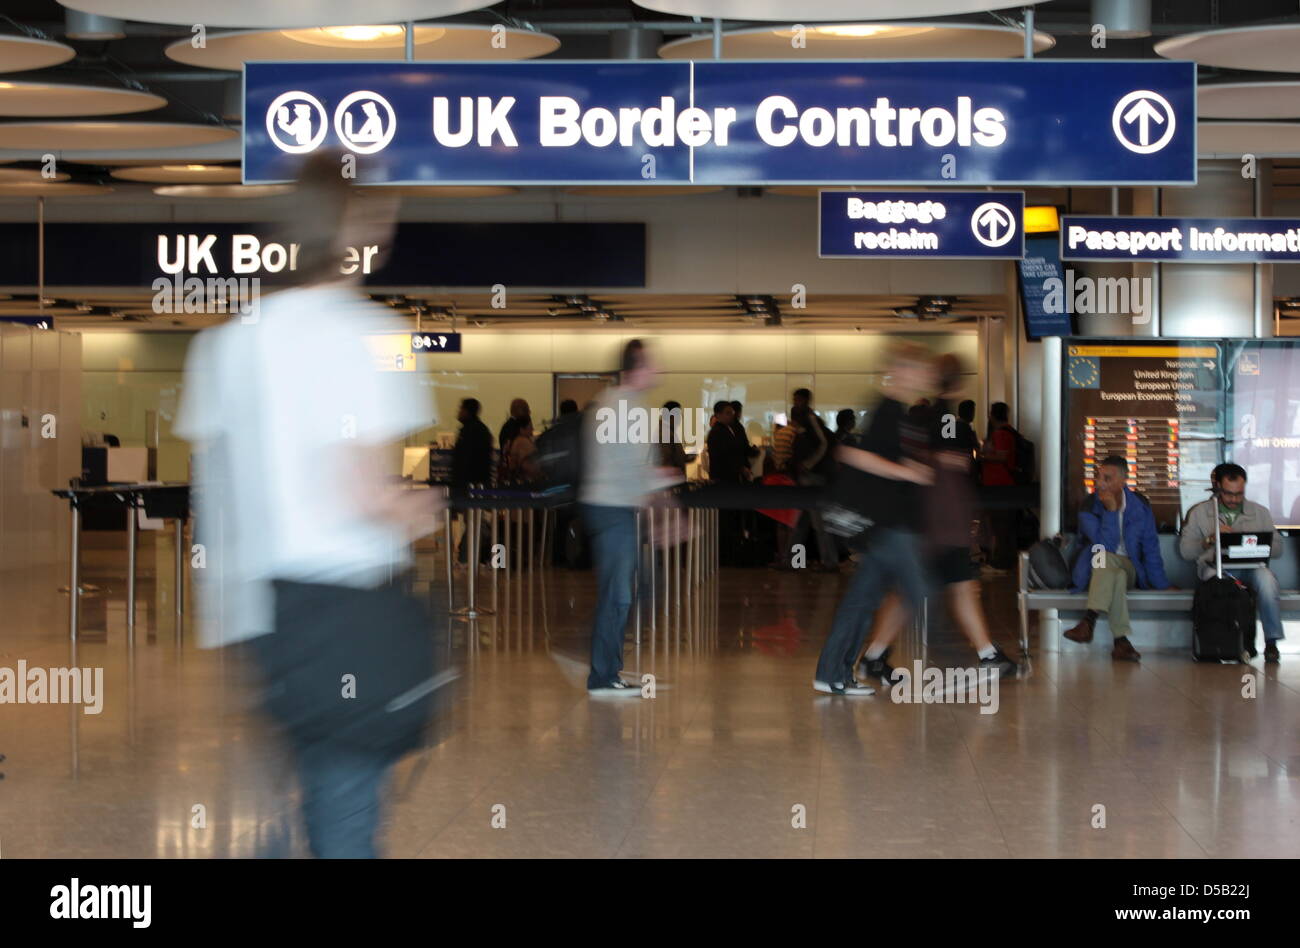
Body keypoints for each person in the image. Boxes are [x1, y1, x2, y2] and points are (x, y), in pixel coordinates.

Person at [175, 151, 442, 857]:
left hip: (260, 611)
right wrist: (418, 508)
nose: (386, 229)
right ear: (350, 221)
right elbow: (361, 490)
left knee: (315, 785)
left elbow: (219, 492)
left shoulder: (227, 342)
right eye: (379, 213)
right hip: (346, 604)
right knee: (346, 802)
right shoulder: (372, 335)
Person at [857, 356, 1019, 683]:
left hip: (925, 520)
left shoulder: (918, 418)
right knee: (948, 586)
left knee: (922, 589)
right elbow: (953, 467)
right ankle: (986, 654)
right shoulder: (951, 423)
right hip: (942, 522)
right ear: (958, 384)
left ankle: (875, 655)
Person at [813, 344, 936, 695]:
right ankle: (843, 669)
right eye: (919, 370)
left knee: (864, 600)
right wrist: (908, 472)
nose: (923, 377)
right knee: (919, 589)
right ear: (901, 370)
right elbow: (858, 457)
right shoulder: (887, 410)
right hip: (886, 524)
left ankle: (836, 672)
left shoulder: (899, 411)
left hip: (888, 523)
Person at [579, 340, 677, 695]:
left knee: (621, 591)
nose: (658, 370)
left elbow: (631, 465)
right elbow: (637, 469)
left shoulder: (613, 402)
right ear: (635, 368)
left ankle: (608, 672)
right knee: (618, 594)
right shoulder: (625, 406)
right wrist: (664, 488)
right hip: (612, 509)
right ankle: (603, 677)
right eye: (652, 364)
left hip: (607, 506)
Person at [1064, 455, 1172, 662]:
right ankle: (1120, 642)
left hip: (1130, 567)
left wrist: (1161, 584)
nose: (1100, 483)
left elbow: (1150, 547)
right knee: (1114, 573)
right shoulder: (1089, 506)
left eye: (1107, 478)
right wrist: (1111, 512)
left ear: (1123, 481)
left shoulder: (1140, 505)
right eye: (1099, 477)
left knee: (1117, 570)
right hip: (1096, 565)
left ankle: (1089, 620)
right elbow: (1104, 546)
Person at [1179, 463, 1284, 663]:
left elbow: (1279, 549)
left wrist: (1253, 541)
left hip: (1252, 567)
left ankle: (1271, 642)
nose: (1234, 499)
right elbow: (1185, 551)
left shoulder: (1260, 512)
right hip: (1216, 568)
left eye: (1239, 494)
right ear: (1217, 486)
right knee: (1223, 586)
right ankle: (1225, 642)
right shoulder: (1201, 513)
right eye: (1228, 494)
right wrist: (1209, 540)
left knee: (1268, 581)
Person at [789, 404, 839, 572]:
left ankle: (825, 561)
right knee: (806, 523)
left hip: (811, 478)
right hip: (814, 477)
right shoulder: (812, 428)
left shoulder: (809, 428)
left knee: (811, 523)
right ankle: (799, 561)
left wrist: (807, 465)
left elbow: (821, 445)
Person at [450, 397, 493, 564]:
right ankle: (471, 555)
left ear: (467, 411)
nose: (458, 412)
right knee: (476, 521)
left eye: (460, 409)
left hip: (471, 484)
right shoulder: (481, 430)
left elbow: (464, 461)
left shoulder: (468, 431)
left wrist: (459, 484)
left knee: (474, 521)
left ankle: (468, 556)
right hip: (478, 483)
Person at [980, 402, 1018, 572]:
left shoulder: (1000, 434)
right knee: (1004, 525)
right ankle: (1005, 560)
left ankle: (1002, 562)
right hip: (1005, 483)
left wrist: (983, 456)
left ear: (993, 415)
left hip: (999, 484)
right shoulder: (1010, 432)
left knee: (1000, 525)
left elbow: (1002, 457)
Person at [658, 400, 688, 474]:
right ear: (672, 416)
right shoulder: (665, 433)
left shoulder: (669, 431)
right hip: (671, 480)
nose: (681, 418)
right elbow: (666, 460)